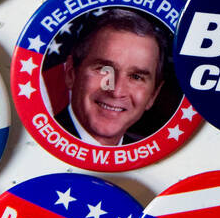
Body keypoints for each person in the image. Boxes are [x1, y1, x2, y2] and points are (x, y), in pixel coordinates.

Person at [56, 9, 168, 147]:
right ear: (71, 73)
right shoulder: (37, 144)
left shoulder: (155, 154)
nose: (116, 91)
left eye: (136, 77)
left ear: (153, 95)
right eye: (104, 70)